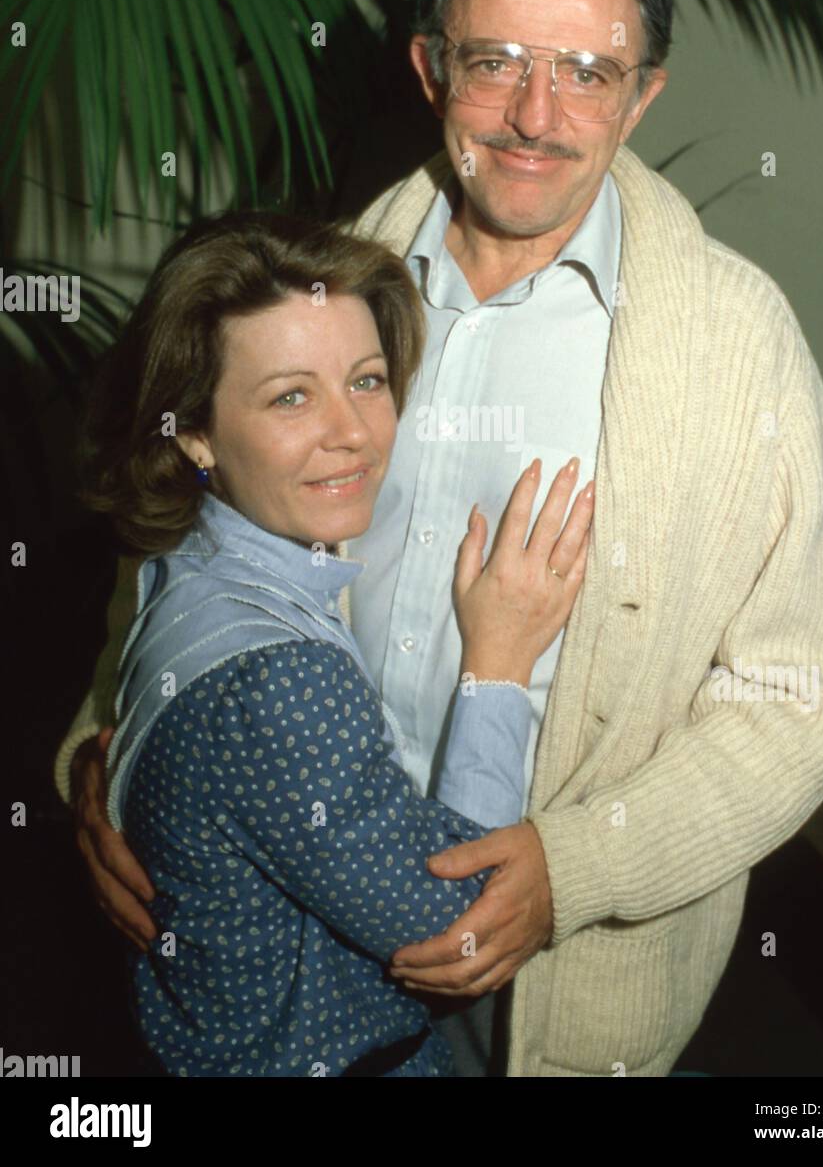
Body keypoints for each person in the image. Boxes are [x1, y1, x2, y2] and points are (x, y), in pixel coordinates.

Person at [58, 0, 823, 1078]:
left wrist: (581, 866)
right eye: (495, 62)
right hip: (291, 979)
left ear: (643, 96)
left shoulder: (732, 343)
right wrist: (106, 767)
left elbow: (808, 690)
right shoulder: (319, 290)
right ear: (431, 68)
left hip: (562, 987)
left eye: (589, 74)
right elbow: (180, 551)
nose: (536, 120)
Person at [75, 211, 592, 1076]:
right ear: (194, 432)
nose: (351, 431)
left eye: (366, 380)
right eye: (289, 396)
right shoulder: (276, 679)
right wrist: (497, 665)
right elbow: (459, 930)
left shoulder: (184, 564)